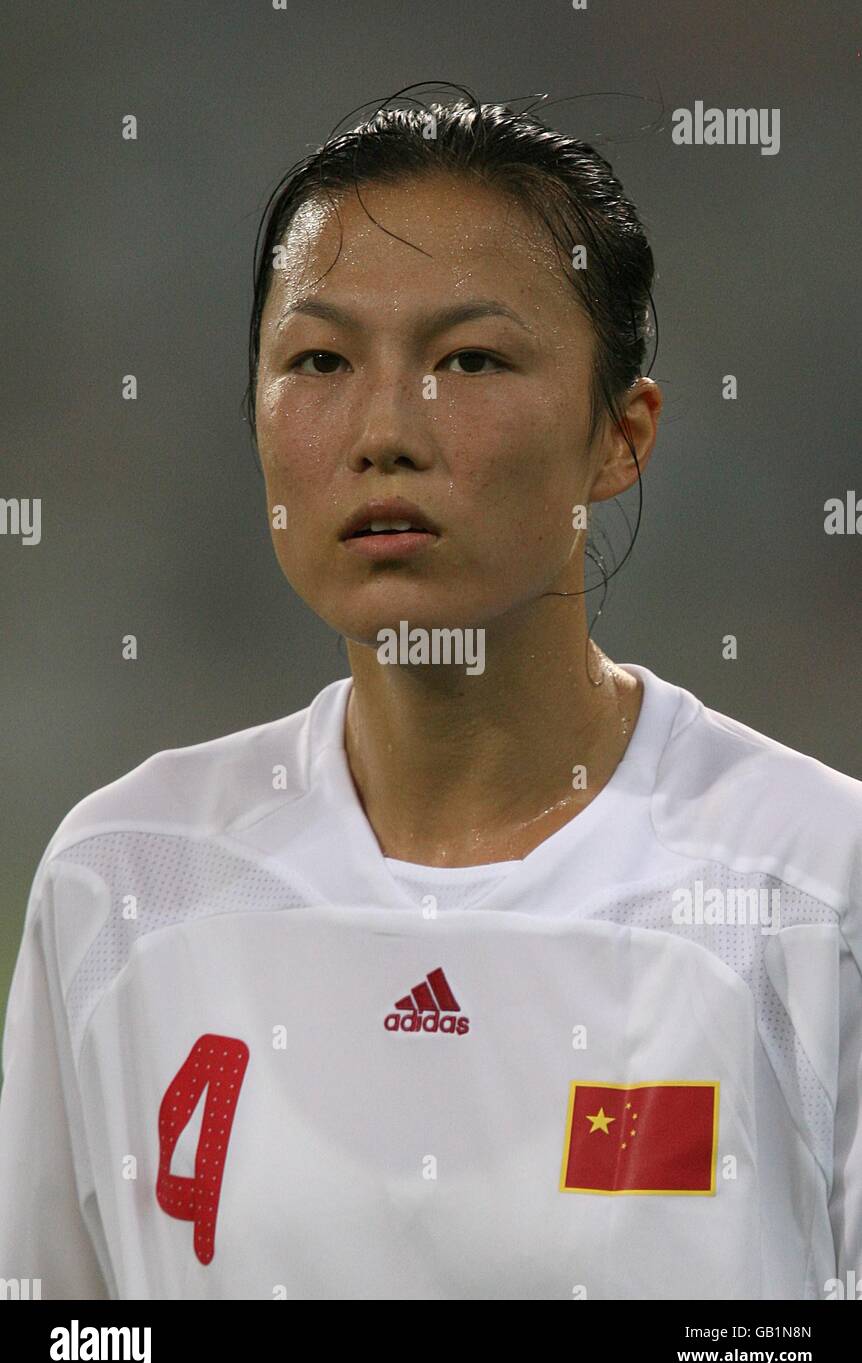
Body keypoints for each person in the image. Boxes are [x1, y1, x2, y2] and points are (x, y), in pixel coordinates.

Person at [0, 92, 859, 1301]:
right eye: (319, 361)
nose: (385, 430)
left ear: (620, 435)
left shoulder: (814, 889)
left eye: (470, 359)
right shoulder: (124, 882)